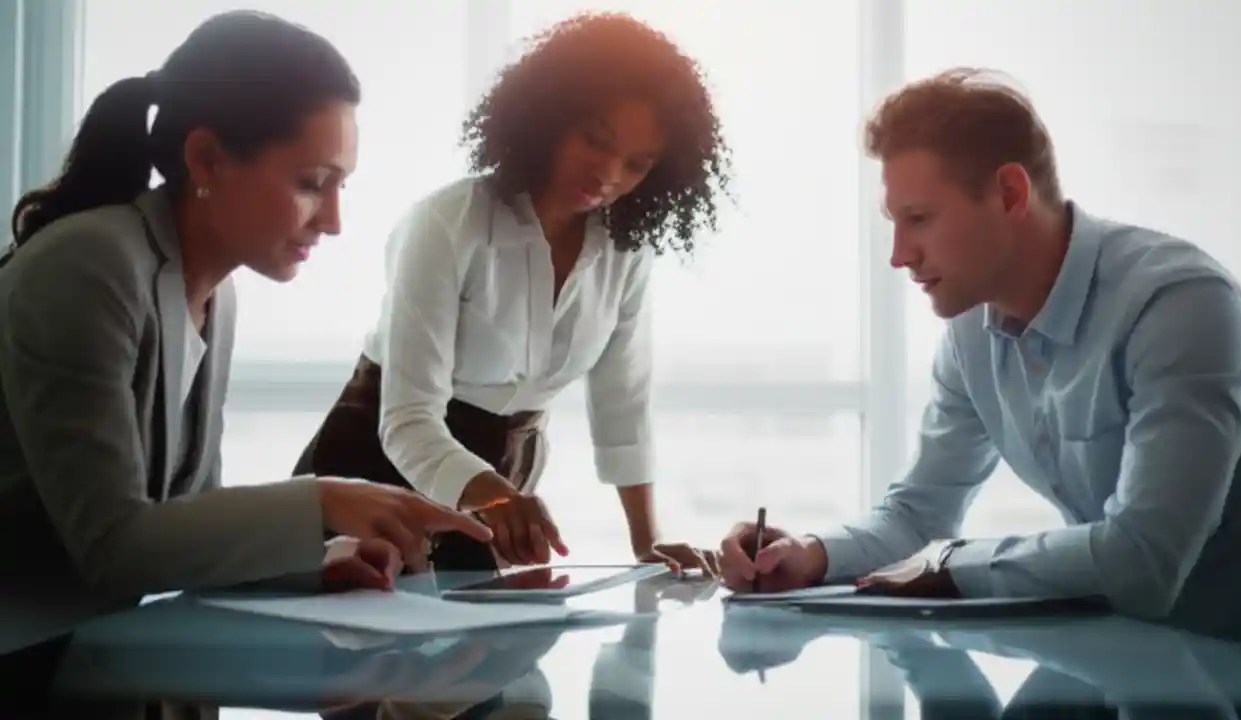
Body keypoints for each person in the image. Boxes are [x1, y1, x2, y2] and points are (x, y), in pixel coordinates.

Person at [720, 68, 1241, 639]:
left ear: (1010, 193)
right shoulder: (971, 330)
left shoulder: (1181, 305)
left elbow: (1144, 561)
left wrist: (950, 564)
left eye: (919, 219)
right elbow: (920, 515)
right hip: (1136, 655)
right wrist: (807, 555)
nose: (899, 255)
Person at [0, 10, 491, 616]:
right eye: (313, 183)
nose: (334, 221)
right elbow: (113, 548)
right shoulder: (88, 266)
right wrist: (322, 498)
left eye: (342, 186)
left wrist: (313, 561)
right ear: (205, 158)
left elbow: (181, 522)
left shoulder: (211, 289)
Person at [294, 12, 731, 574]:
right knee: (346, 651)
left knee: (486, 653)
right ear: (549, 116)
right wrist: (496, 496)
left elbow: (623, 405)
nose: (608, 174)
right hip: (374, 469)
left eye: (637, 164)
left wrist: (646, 542)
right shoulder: (448, 224)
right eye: (594, 140)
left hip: (501, 489)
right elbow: (405, 418)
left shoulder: (625, 252)